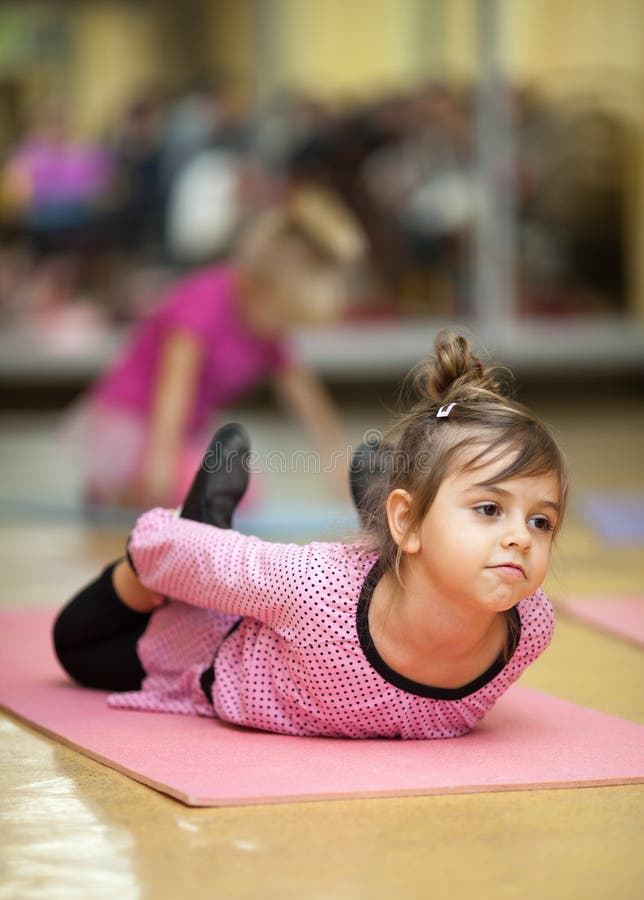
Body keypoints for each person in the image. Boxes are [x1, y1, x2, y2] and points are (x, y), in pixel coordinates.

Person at [54, 332, 567, 740]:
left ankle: (376, 511)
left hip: (381, 571)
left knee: (403, 564)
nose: (521, 537)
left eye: (541, 521)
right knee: (76, 645)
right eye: (489, 508)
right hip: (225, 648)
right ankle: (211, 525)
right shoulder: (315, 588)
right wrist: (180, 554)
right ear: (407, 523)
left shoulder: (530, 625)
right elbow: (159, 547)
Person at [64, 187, 365, 508]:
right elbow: (173, 387)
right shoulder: (205, 301)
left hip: (182, 433)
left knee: (242, 490)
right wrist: (160, 461)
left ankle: (135, 490)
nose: (284, 330)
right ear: (261, 287)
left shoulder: (267, 327)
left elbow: (305, 395)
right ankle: (116, 491)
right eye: (284, 317)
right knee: (194, 489)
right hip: (128, 423)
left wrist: (339, 462)